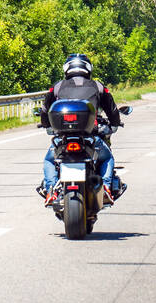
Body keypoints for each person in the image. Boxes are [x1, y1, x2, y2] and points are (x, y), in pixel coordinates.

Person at [36, 54, 127, 206]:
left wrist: (46, 125)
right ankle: (105, 187)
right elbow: (112, 110)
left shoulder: (57, 87)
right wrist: (114, 124)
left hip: (63, 138)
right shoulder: (98, 86)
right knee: (106, 158)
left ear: (66, 69)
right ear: (88, 68)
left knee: (49, 160)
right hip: (91, 137)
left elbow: (45, 110)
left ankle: (51, 189)